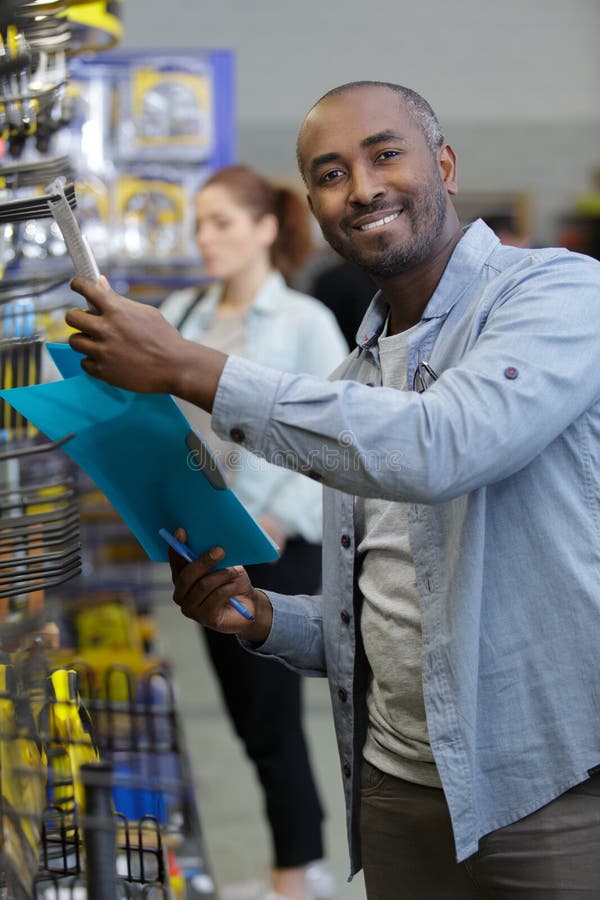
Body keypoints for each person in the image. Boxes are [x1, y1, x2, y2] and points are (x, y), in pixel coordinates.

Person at [65, 81, 600, 900]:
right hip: (395, 788)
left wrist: (187, 366)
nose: (363, 187)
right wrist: (269, 617)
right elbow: (393, 614)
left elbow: (440, 445)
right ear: (315, 206)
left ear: (445, 164)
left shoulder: (558, 294)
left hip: (548, 789)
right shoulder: (356, 371)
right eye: (331, 173)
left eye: (385, 154)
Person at [159, 164, 347, 900]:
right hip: (201, 541)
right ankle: (296, 864)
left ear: (266, 229)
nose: (205, 238)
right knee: (243, 718)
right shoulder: (185, 311)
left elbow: (336, 445)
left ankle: (296, 874)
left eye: (222, 223)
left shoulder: (304, 323)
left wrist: (275, 515)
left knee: (272, 722)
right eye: (199, 223)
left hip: (275, 546)